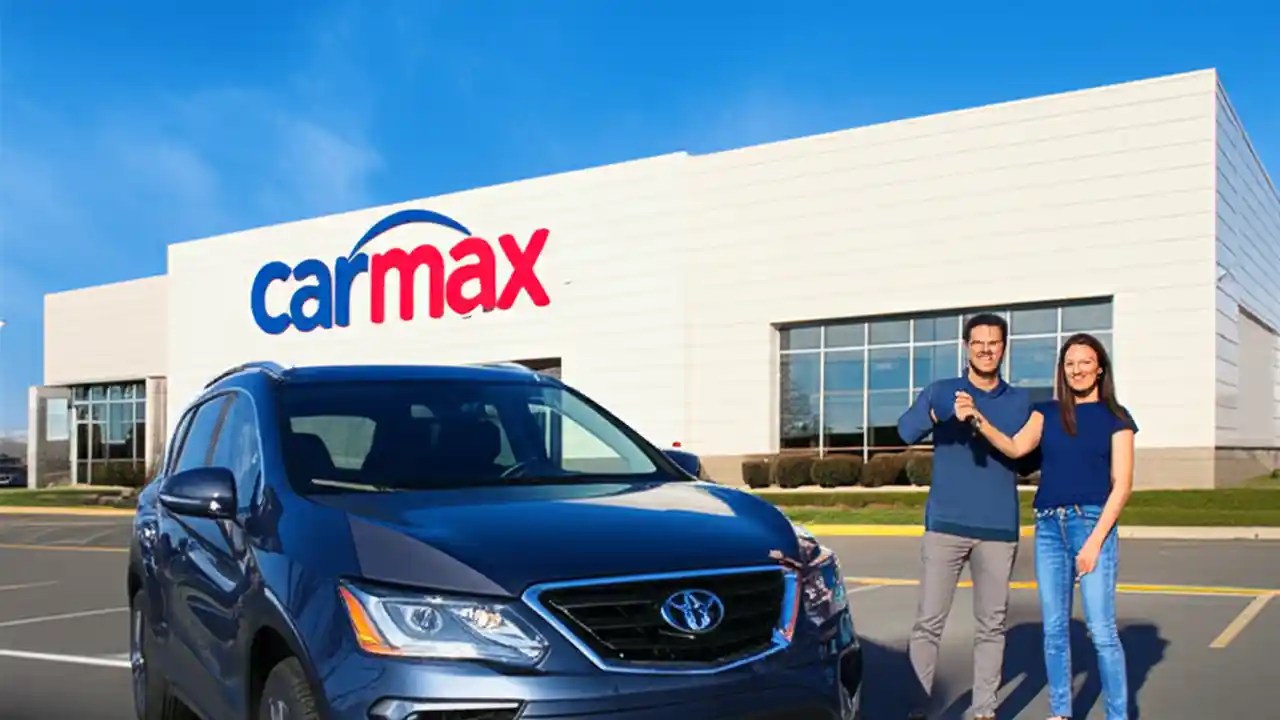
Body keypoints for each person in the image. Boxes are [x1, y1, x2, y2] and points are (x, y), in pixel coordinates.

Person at [957, 332, 1136, 720]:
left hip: (1092, 524)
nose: (1077, 370)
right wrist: (978, 419)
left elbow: (1121, 486)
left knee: (1102, 631)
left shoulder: (1117, 417)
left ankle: (1118, 715)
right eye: (1070, 363)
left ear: (1099, 367)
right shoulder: (1048, 413)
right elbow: (1016, 447)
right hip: (1049, 527)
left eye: (1085, 362)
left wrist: (1094, 543)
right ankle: (1061, 712)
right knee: (1054, 629)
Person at [896, 313, 1033, 720]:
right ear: (966, 347)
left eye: (993, 343)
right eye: (978, 342)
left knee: (991, 626)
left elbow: (1025, 458)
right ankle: (919, 709)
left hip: (997, 530)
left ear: (1004, 348)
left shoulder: (1018, 402)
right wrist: (940, 415)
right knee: (927, 624)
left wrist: (981, 421)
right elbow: (904, 431)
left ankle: (984, 710)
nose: (986, 349)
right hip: (945, 527)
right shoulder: (942, 392)